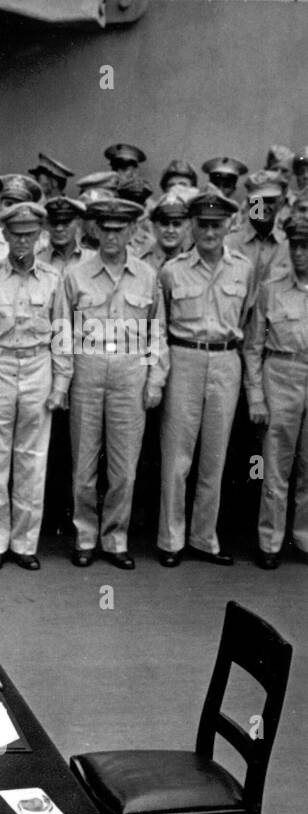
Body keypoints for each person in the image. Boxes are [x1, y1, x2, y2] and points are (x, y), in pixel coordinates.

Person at [53, 197, 166, 569]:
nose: (113, 236)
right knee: (84, 464)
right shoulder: (76, 275)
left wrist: (155, 380)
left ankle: (115, 538)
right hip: (87, 367)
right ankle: (85, 535)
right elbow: (62, 332)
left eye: (121, 229)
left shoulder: (148, 276)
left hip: (130, 370)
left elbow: (156, 332)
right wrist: (63, 380)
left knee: (124, 467)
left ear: (132, 230)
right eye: (106, 228)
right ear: (95, 230)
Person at [0, 202, 67, 571]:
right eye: (15, 234)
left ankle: (24, 544)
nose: (22, 241)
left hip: (38, 366)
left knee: (32, 460)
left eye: (29, 234)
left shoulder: (55, 279)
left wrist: (60, 384)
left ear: (39, 236)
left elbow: (62, 335)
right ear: (4, 235)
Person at [155, 191, 253, 567]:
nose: (209, 232)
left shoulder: (243, 269)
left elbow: (247, 317)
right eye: (202, 225)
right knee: (176, 455)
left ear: (228, 226)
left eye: (217, 225)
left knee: (214, 456)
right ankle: (170, 539)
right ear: (191, 226)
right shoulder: (172, 270)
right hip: (184, 357)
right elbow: (160, 326)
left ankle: (203, 537)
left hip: (226, 359)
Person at [244, 216, 308, 569]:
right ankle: (270, 540)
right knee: (274, 463)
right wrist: (256, 395)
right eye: (296, 245)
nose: (300, 253)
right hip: (281, 372)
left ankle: (304, 537)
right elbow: (253, 346)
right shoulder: (271, 289)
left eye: (306, 247)